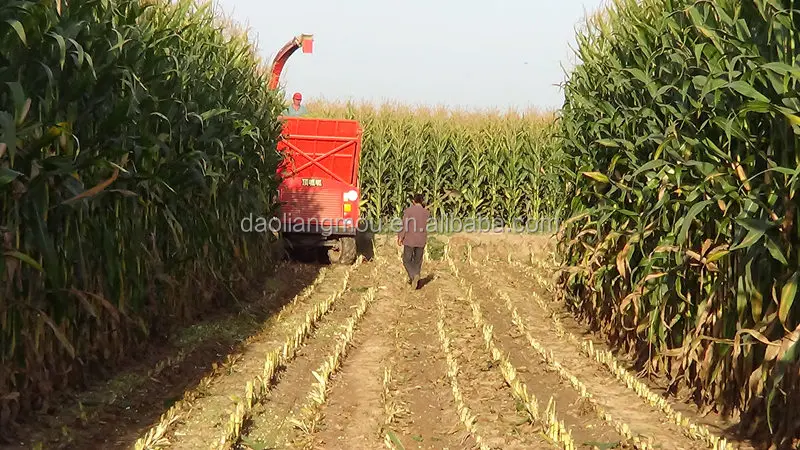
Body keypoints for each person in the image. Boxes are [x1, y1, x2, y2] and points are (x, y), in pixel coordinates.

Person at [397, 193, 430, 290]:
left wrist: (400, 237)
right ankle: (417, 280)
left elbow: (405, 225)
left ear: (413, 201)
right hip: (421, 240)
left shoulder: (409, 211)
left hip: (410, 240)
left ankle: (413, 275)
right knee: (417, 261)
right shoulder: (426, 213)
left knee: (406, 260)